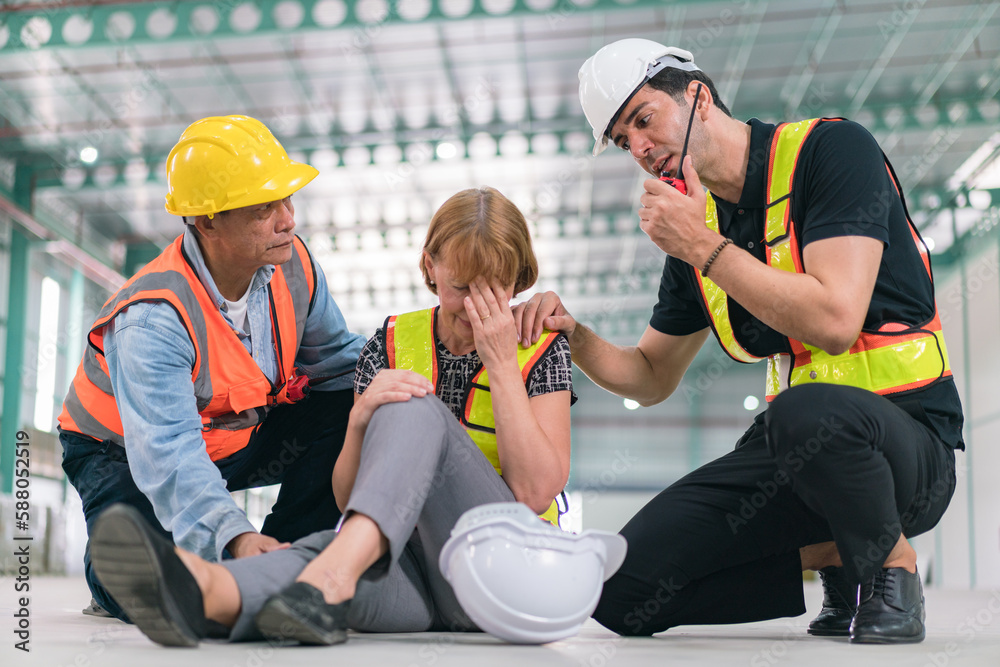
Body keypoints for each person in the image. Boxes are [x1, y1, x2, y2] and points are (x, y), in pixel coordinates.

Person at [515, 39, 962, 644]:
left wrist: (701, 247)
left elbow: (835, 320)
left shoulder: (831, 153)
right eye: (624, 141)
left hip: (905, 453)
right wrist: (574, 334)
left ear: (697, 96)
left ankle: (889, 569)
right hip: (798, 457)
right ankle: (837, 556)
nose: (640, 150)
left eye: (643, 120)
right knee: (621, 591)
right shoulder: (693, 229)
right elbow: (650, 376)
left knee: (806, 413)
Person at [86, 186, 576, 647]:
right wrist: (360, 417)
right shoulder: (389, 342)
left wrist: (503, 365)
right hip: (417, 585)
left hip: (504, 580)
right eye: (461, 286)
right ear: (430, 265)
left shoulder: (541, 345)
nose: (476, 307)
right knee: (314, 551)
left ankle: (332, 572)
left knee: (412, 409)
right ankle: (205, 590)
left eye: (497, 289)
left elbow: (534, 493)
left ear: (522, 280)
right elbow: (347, 497)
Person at [58, 115, 366, 622]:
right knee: (157, 579)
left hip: (233, 442)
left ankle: (287, 561)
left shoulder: (292, 265)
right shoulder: (153, 319)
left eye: (287, 200)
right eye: (265, 207)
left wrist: (450, 344)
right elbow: (169, 457)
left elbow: (343, 364)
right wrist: (236, 537)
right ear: (206, 221)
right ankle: (114, 574)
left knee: (353, 402)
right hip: (121, 456)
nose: (287, 220)